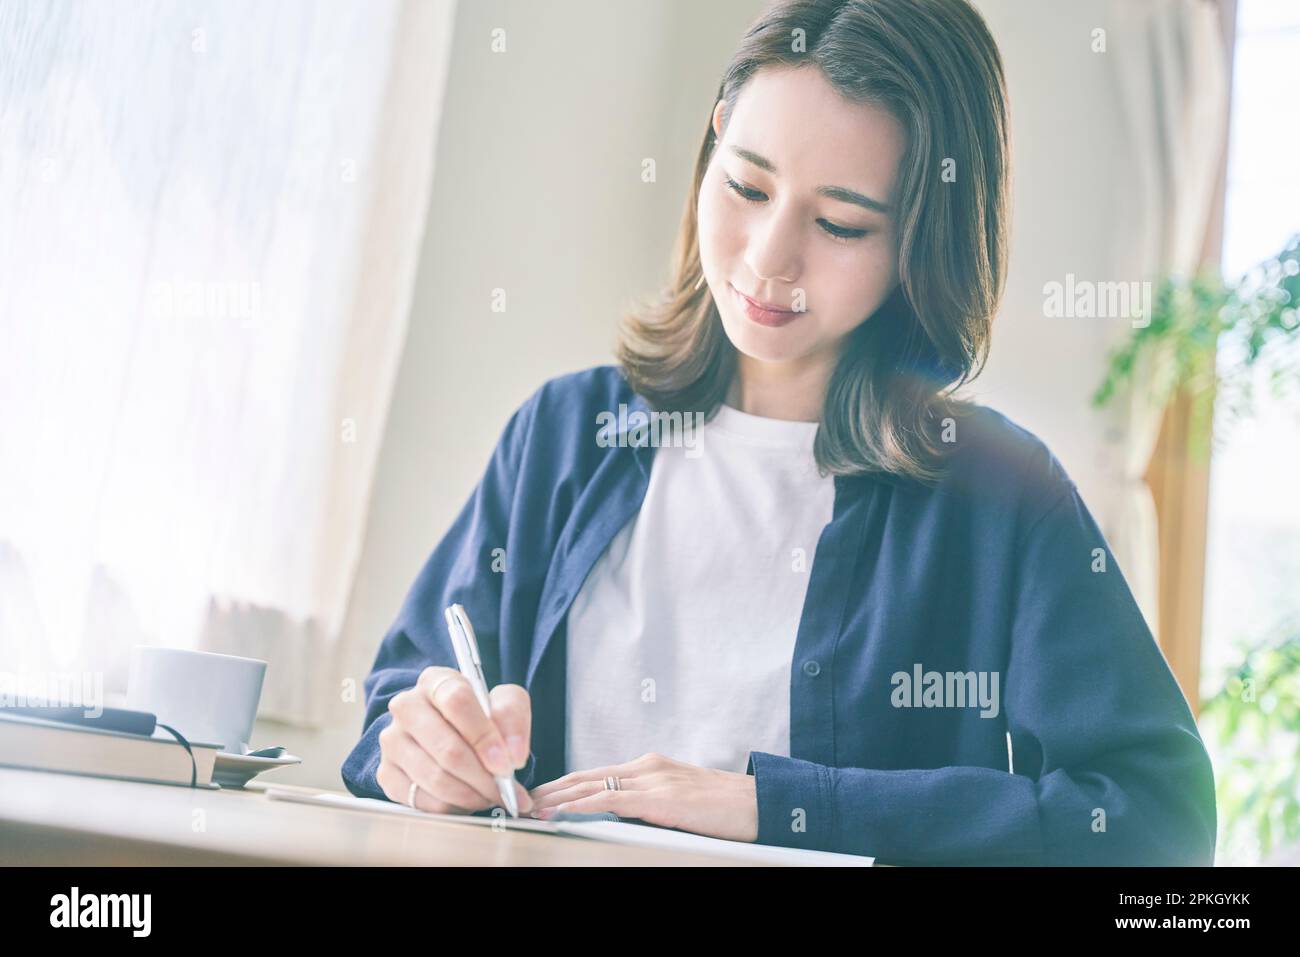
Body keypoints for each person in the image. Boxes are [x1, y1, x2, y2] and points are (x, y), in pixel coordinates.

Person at [341, 0, 1216, 865]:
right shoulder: (567, 436)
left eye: (839, 223)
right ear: (713, 141)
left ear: (923, 238)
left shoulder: (997, 494)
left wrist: (786, 808)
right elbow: (394, 708)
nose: (768, 257)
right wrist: (420, 747)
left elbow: (1156, 820)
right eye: (746, 185)